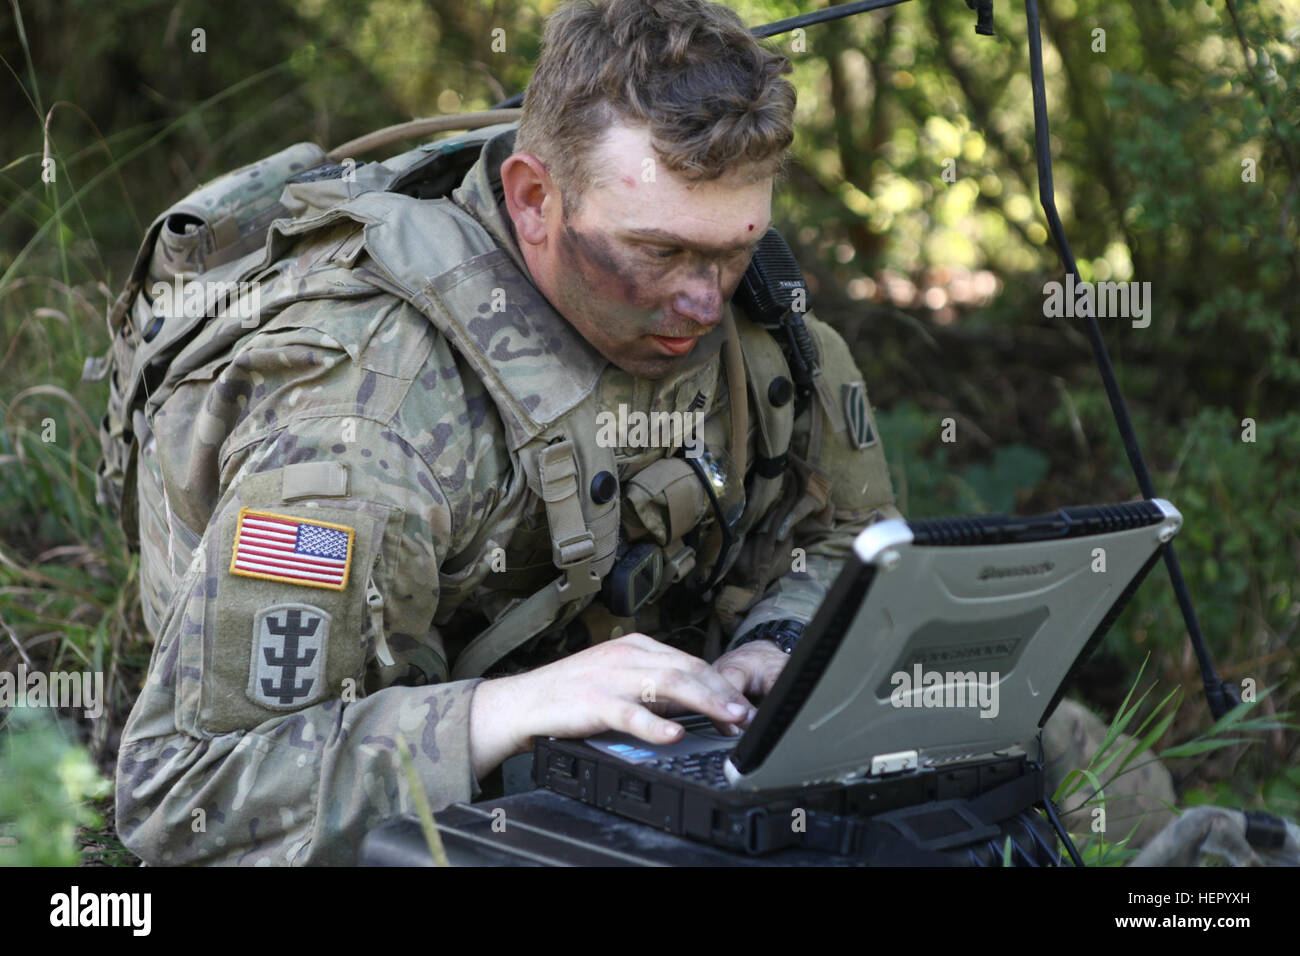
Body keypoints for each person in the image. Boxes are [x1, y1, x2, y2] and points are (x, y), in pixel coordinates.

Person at [113, 0, 901, 865]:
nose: (705, 301)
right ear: (534, 199)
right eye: (659, 253)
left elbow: (843, 541)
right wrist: (505, 712)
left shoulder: (762, 337)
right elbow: (183, 791)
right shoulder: (364, 426)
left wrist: (776, 642)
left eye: (734, 249)